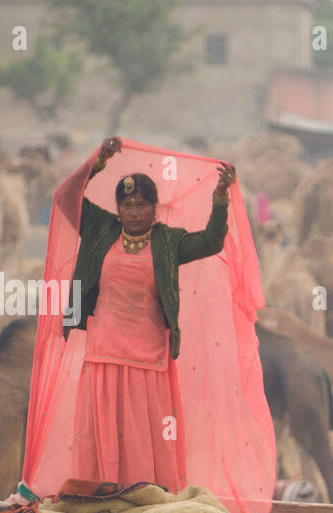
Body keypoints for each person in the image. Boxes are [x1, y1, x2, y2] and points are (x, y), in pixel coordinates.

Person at [61, 136, 236, 489]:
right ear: (119, 209)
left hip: (148, 359)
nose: (135, 212)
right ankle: (103, 496)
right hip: (104, 353)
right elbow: (65, 199)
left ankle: (146, 497)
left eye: (142, 205)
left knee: (145, 438)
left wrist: (220, 198)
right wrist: (97, 162)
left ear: (155, 209)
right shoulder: (100, 229)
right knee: (104, 434)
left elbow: (211, 242)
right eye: (127, 205)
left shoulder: (168, 241)